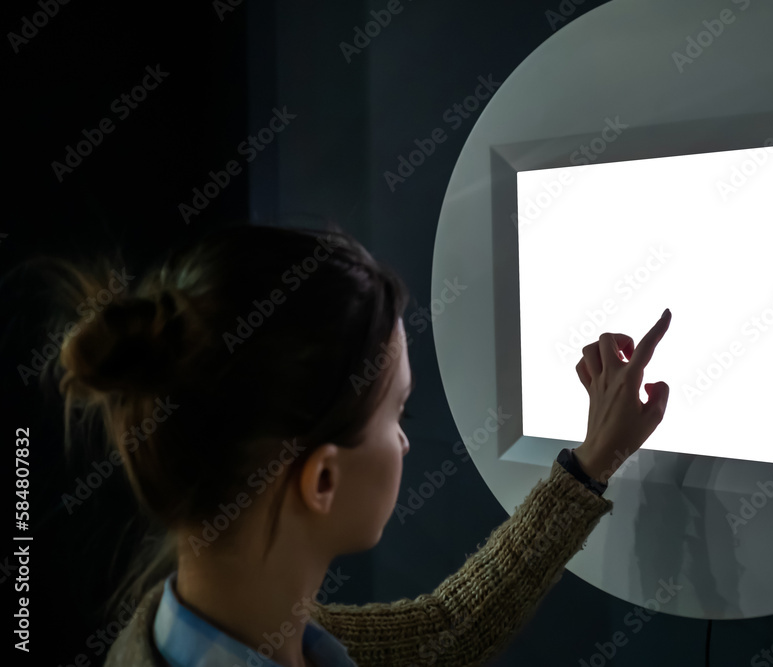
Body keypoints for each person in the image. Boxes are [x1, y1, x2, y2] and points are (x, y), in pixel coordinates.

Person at [40, 223, 672, 667]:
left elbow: (448, 630)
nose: (404, 441)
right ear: (322, 480)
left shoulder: (239, 624)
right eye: (396, 412)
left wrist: (592, 462)